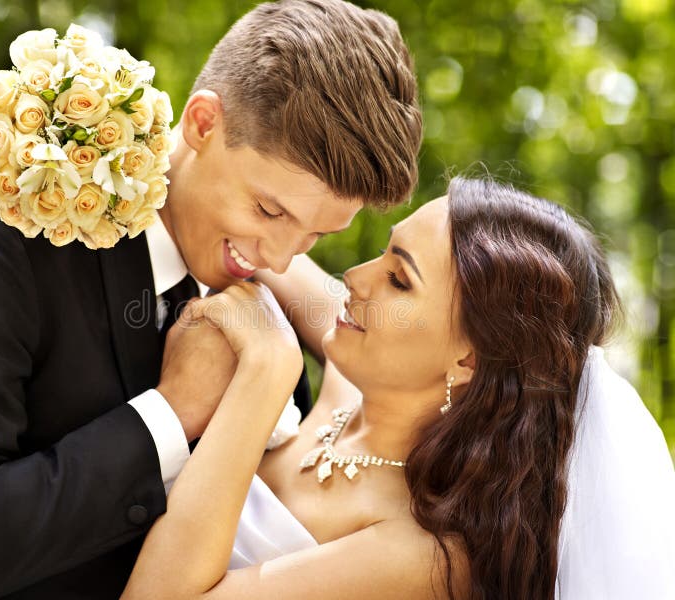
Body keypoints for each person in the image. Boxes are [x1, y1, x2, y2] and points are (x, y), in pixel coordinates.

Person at [0, 1, 422, 598]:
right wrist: (171, 411)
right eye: (269, 209)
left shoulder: (265, 333)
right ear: (203, 123)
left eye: (317, 235)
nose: (281, 259)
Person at [120, 177, 675, 600]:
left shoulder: (425, 552)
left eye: (398, 278)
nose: (358, 277)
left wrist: (264, 376)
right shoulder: (349, 387)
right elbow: (264, 247)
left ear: (468, 359)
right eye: (385, 252)